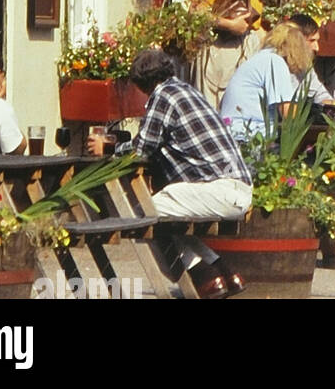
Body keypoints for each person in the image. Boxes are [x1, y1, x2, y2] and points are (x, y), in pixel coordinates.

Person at [91, 47, 252, 299]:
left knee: (141, 215)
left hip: (218, 189)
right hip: (235, 187)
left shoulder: (162, 95)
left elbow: (141, 149)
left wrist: (108, 147)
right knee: (165, 219)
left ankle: (202, 276)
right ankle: (223, 272)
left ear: (142, 83)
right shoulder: (187, 90)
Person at [219, 16, 332, 135]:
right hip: (246, 134)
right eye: (310, 42)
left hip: (241, 130)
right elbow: (288, 113)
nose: (317, 48)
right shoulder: (275, 62)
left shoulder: (265, 57)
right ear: (297, 44)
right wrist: (315, 114)